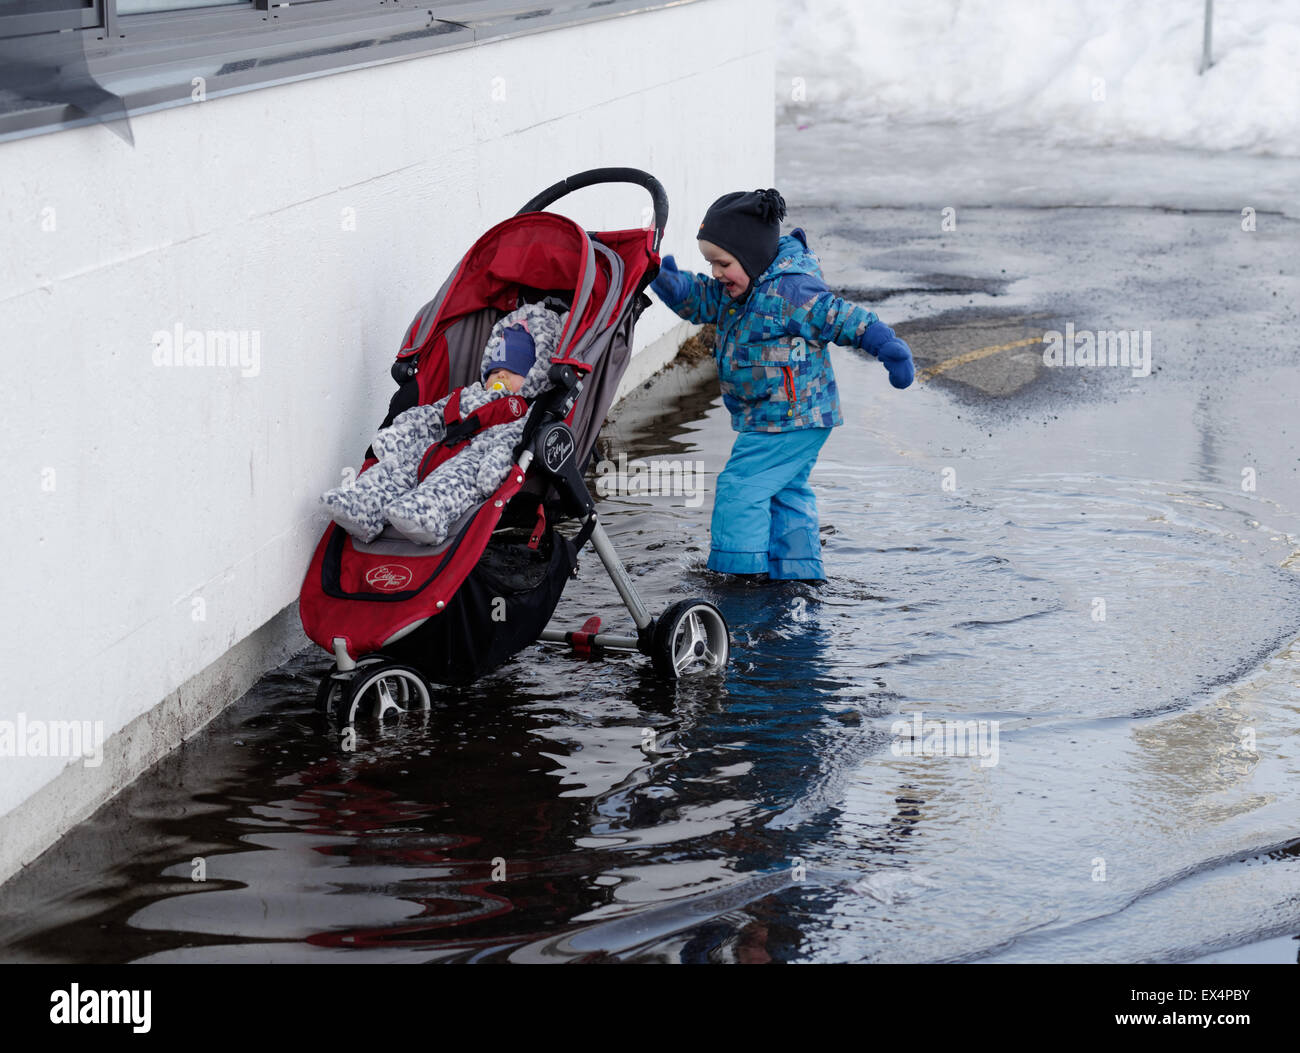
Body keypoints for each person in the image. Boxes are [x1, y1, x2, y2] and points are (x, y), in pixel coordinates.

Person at [649, 187, 913, 581]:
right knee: (785, 492)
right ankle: (797, 573)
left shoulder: (791, 290)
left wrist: (887, 346)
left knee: (741, 487)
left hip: (790, 418)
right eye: (710, 265)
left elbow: (842, 317)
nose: (716, 274)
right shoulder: (737, 290)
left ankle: (737, 578)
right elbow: (703, 301)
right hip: (783, 418)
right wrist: (676, 288)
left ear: (752, 255)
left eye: (722, 263)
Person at [321, 301, 567, 546]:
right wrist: (401, 433)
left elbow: (513, 440)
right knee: (394, 470)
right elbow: (434, 414)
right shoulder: (469, 395)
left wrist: (495, 466)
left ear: (536, 375)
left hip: (472, 463)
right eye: (495, 370)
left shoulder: (524, 411)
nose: (500, 376)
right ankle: (361, 506)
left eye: (512, 371)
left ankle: (425, 516)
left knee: (451, 485)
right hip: (434, 449)